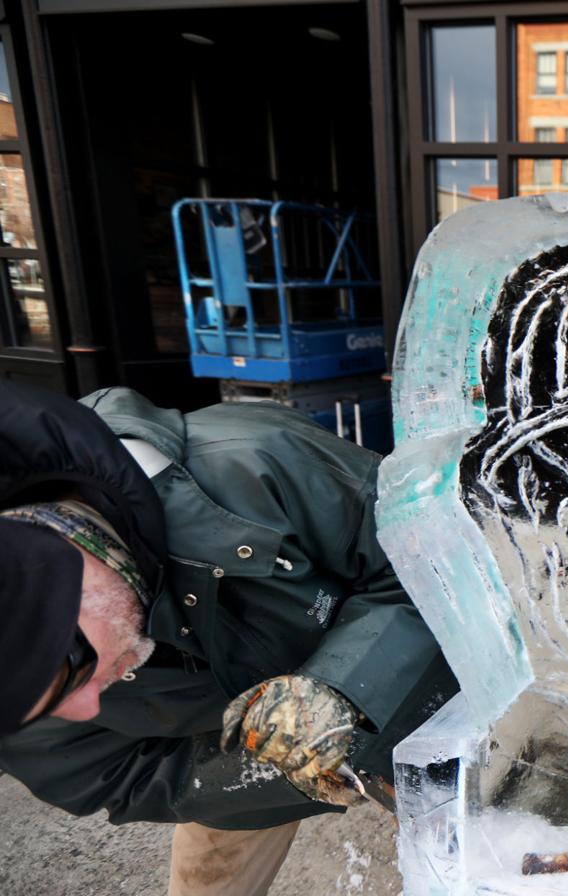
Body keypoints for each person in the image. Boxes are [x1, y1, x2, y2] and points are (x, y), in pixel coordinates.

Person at [0, 383, 456, 896]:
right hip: (230, 754)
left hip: (417, 699)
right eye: (45, 708)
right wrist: (279, 767)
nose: (85, 708)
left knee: (483, 861)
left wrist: (347, 688)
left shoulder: (257, 463)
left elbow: (437, 565)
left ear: (70, 564)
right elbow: (118, 773)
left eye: (70, 668)